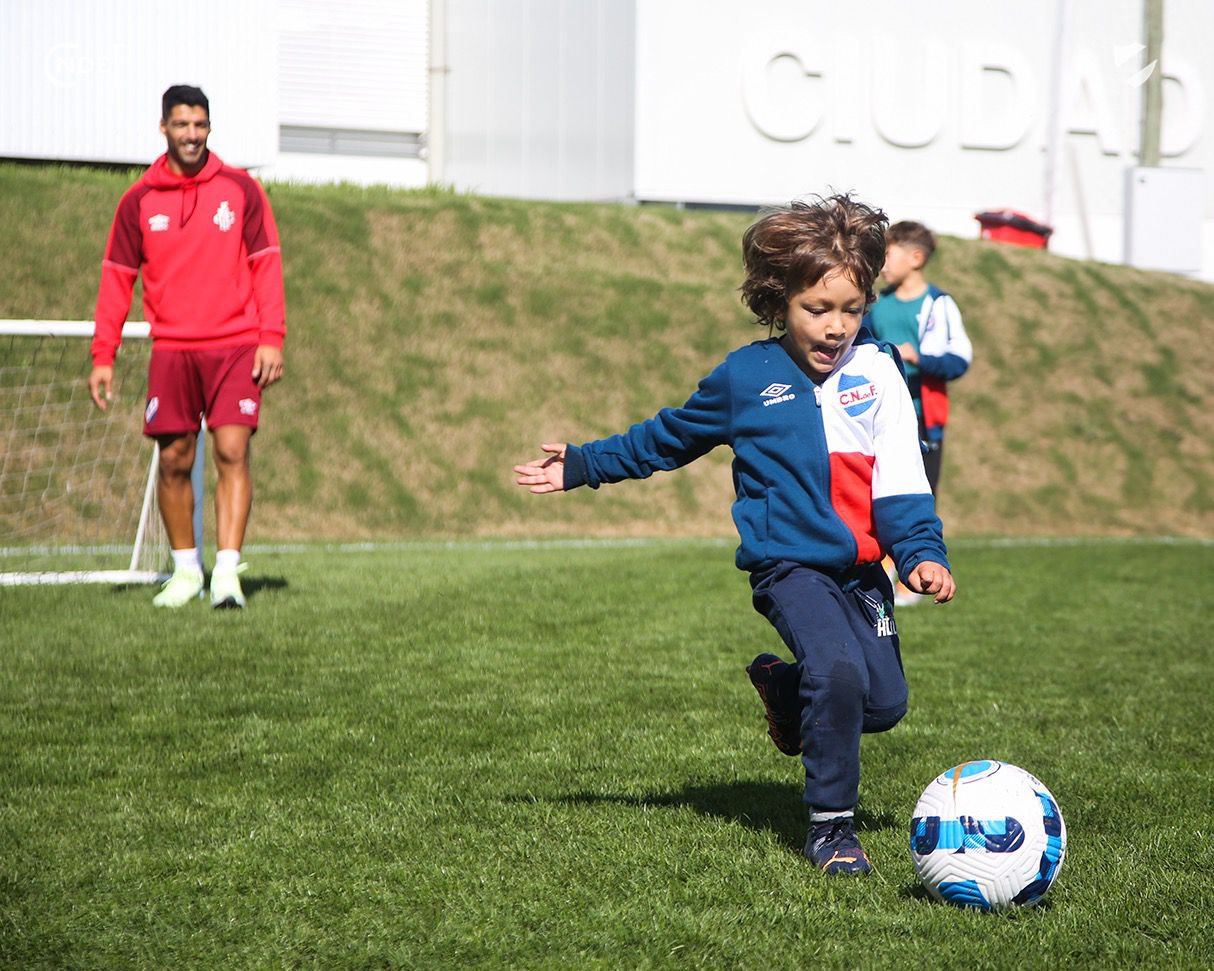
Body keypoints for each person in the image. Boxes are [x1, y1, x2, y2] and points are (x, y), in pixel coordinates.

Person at [514, 194, 956, 876]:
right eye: (818, 309)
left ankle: (785, 690)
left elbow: (901, 486)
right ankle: (832, 829)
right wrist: (581, 464)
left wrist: (922, 554)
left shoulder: (880, 374)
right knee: (837, 676)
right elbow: (666, 438)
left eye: (851, 308)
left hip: (862, 574)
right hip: (790, 567)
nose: (837, 326)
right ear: (781, 301)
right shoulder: (746, 378)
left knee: (883, 703)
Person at [89, 85, 286, 609]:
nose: (192, 135)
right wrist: (102, 355)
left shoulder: (241, 189)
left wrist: (272, 337)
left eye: (200, 125)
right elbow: (116, 278)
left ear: (209, 128)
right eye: (182, 125)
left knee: (231, 451)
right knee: (174, 460)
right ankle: (185, 572)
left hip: (236, 345)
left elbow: (266, 262)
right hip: (172, 349)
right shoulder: (138, 200)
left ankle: (226, 573)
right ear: (163, 128)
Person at [865, 221, 971, 605]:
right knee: (875, 497)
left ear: (916, 258)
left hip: (923, 423)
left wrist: (918, 357)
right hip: (876, 418)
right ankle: (880, 578)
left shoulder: (938, 304)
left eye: (887, 253)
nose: (881, 263)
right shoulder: (876, 304)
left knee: (915, 499)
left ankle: (913, 580)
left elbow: (960, 359)